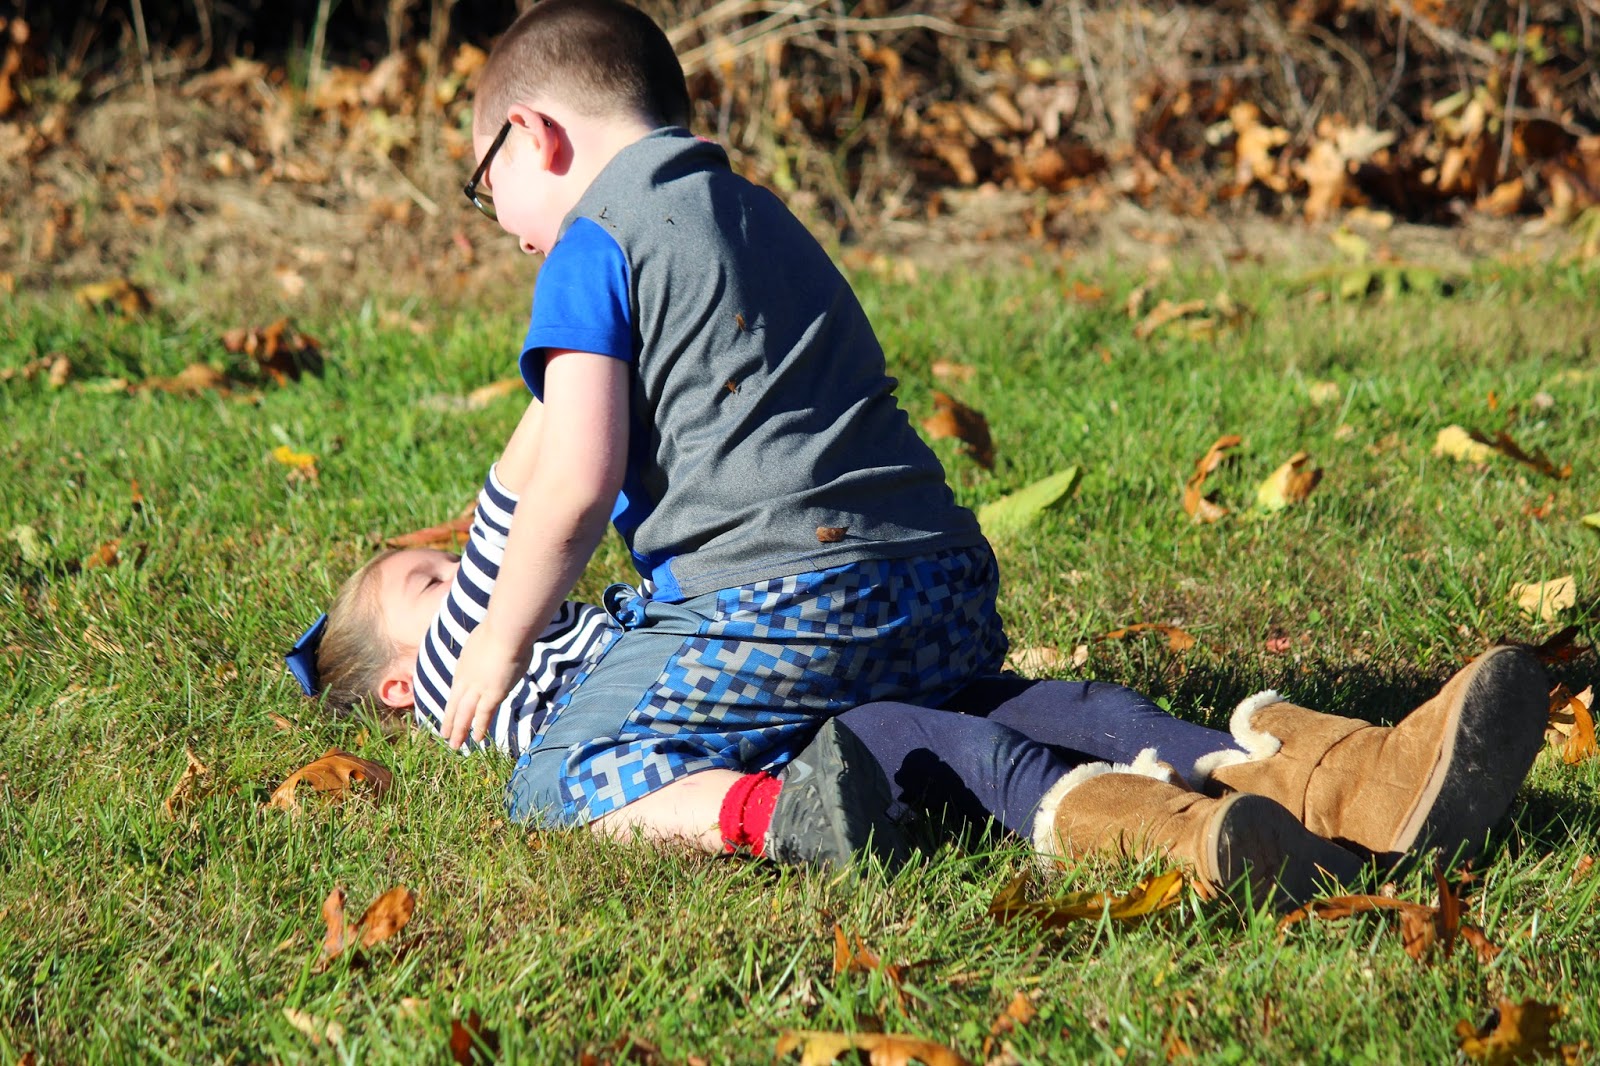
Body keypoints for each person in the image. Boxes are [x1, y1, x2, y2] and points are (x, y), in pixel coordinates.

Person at [289, 399, 1551, 906]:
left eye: (440, 568)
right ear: (404, 681)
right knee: (969, 740)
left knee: (1069, 695)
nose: (449, 572)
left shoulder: (589, 626)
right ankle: (1196, 840)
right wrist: (588, 309)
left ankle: (1352, 780)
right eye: (422, 583)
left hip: (840, 680)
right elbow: (519, 495)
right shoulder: (477, 677)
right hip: (828, 745)